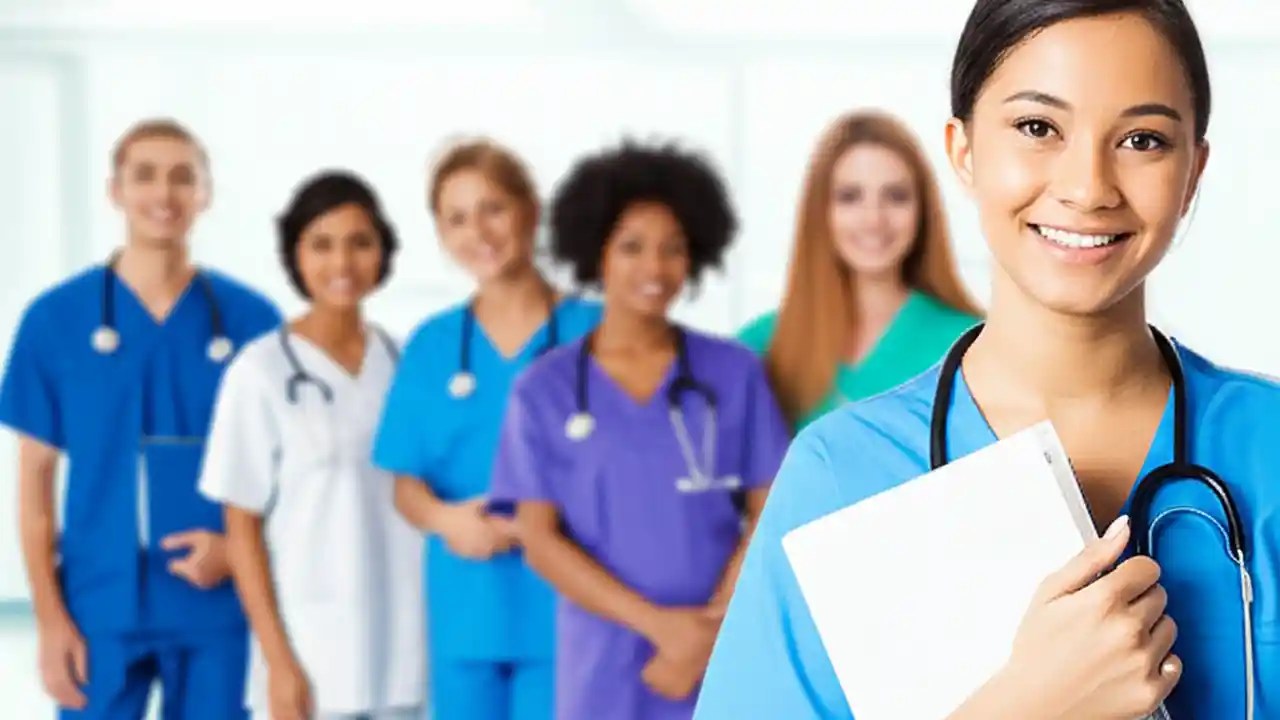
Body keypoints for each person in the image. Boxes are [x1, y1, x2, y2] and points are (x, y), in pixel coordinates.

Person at [694, 0, 1280, 718]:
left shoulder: (1269, 447)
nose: (1088, 187)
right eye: (1038, 128)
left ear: (1194, 172)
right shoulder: (839, 476)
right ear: (963, 150)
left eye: (1143, 139)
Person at [488, 141, 792, 720]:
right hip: (602, 661)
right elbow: (540, 540)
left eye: (673, 249)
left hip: (718, 654)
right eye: (632, 247)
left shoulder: (731, 374)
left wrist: (707, 633)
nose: (655, 268)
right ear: (596, 253)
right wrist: (662, 628)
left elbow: (770, 509)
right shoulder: (545, 389)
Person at [0, 118, 281, 718]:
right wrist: (49, 622)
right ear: (115, 191)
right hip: (98, 604)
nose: (164, 194)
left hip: (219, 607)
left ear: (205, 194)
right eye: (145, 176)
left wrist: (236, 550)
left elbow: (291, 474)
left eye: (183, 178)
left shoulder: (252, 321)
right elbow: (34, 496)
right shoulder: (54, 321)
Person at [371, 139, 601, 720]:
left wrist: (540, 521)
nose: (480, 231)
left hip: (570, 603)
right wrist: (447, 519)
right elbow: (405, 483)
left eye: (493, 208)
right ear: (443, 236)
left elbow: (631, 467)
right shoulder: (432, 344)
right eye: (457, 218)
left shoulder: (597, 332)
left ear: (531, 209)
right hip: (466, 608)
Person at [198, 170, 424, 720]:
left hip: (402, 656)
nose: (342, 263)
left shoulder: (406, 362)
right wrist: (278, 663)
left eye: (359, 243)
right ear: (295, 255)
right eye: (322, 244)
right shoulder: (260, 370)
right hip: (311, 660)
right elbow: (242, 526)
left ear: (383, 253)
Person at [737, 109, 981, 431]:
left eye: (895, 196)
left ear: (922, 211)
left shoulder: (972, 347)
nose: (873, 219)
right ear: (820, 211)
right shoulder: (760, 347)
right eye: (850, 197)